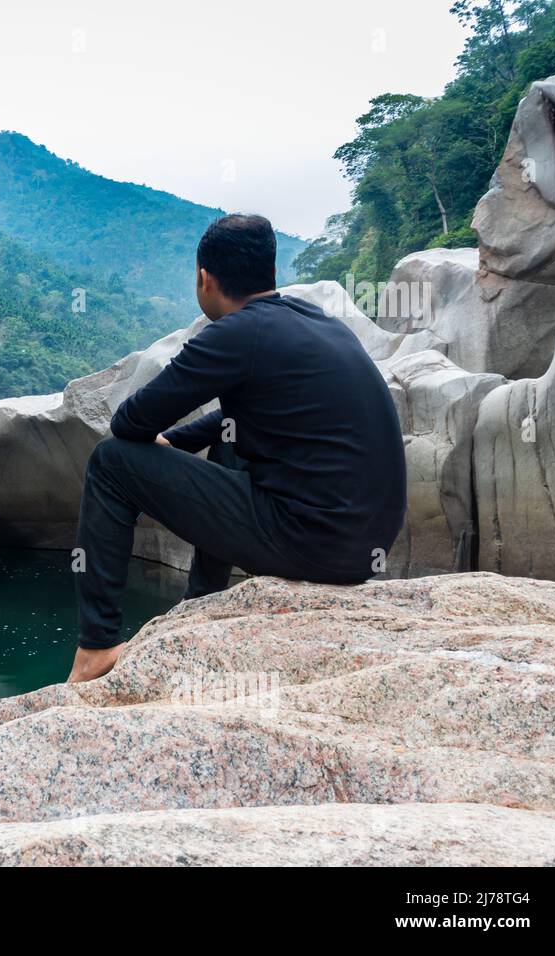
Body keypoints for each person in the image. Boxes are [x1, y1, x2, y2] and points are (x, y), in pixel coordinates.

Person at [66, 214, 406, 683]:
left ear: (205, 279)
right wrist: (175, 441)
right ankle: (200, 603)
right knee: (231, 445)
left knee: (110, 462)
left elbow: (130, 422)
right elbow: (237, 421)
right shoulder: (317, 322)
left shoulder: (235, 334)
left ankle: (97, 646)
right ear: (269, 271)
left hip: (313, 543)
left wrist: (156, 443)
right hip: (365, 542)